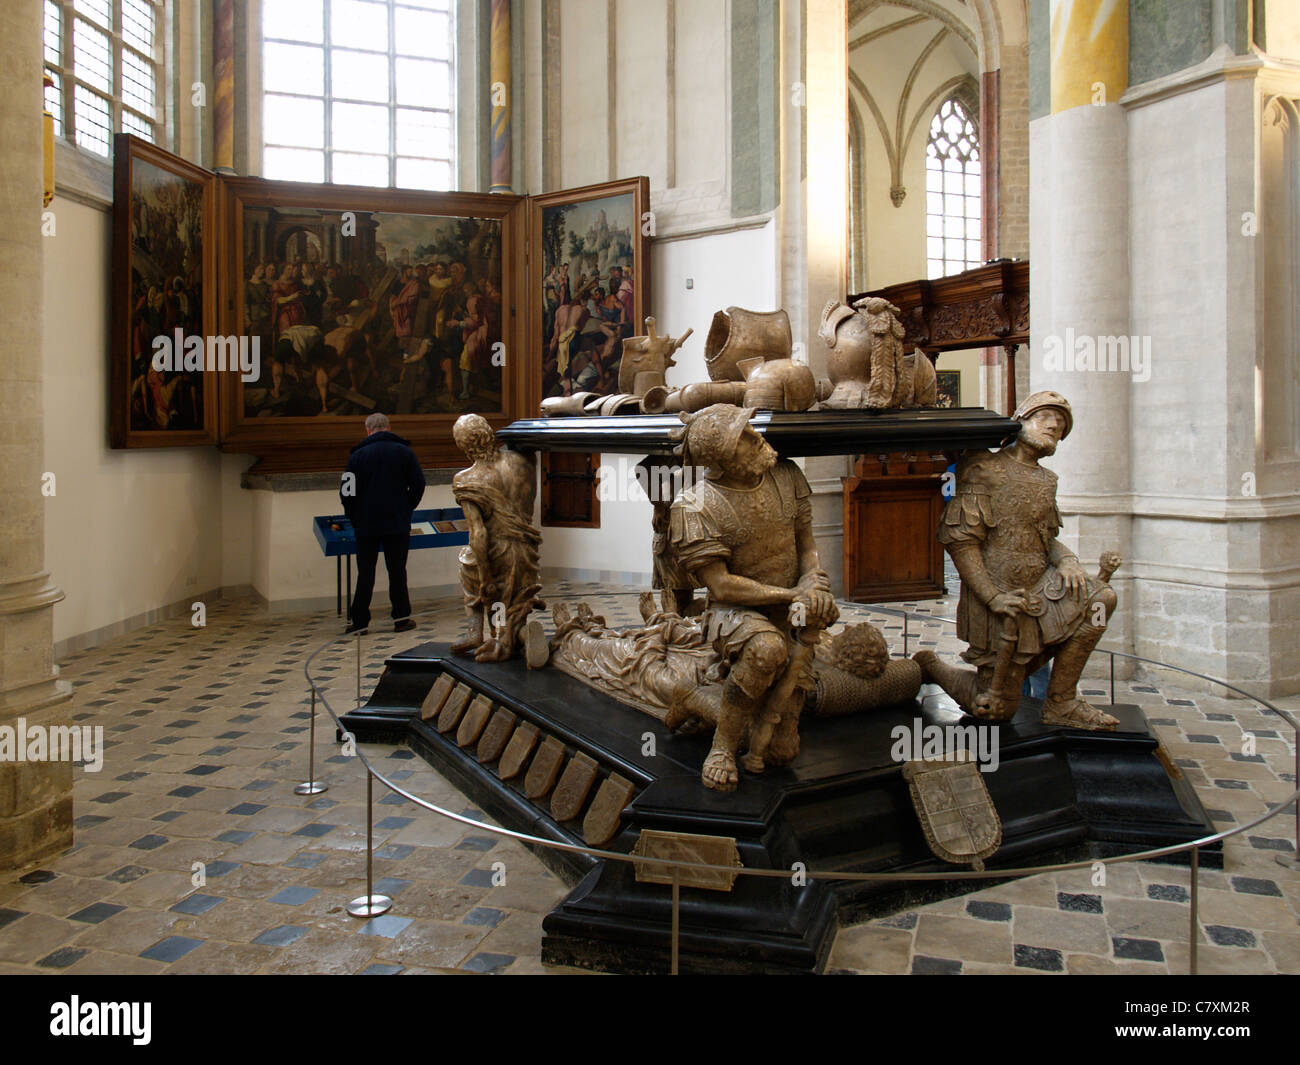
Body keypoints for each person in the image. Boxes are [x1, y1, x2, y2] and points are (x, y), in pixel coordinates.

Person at [915, 390, 1122, 729]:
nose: (1054, 425)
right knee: (995, 709)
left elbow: (1047, 538)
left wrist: (1068, 561)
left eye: (1061, 424)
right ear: (1020, 420)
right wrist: (993, 597)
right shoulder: (986, 469)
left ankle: (1061, 702)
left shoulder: (1046, 480)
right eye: (1045, 417)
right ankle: (930, 664)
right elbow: (961, 541)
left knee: (1102, 596)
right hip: (997, 596)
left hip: (1041, 591)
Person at [660, 404, 838, 790]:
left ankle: (697, 699)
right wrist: (794, 593)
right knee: (767, 650)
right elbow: (721, 586)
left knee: (780, 752)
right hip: (733, 613)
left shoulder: (786, 476)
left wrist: (814, 582)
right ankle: (721, 747)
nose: (758, 438)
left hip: (791, 604)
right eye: (743, 437)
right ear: (721, 459)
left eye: (751, 429)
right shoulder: (695, 506)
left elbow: (807, 546)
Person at [340, 412, 426, 634]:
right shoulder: (404, 452)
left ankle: (359, 622)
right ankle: (401, 618)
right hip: (396, 522)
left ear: (368, 430)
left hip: (366, 524)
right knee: (397, 570)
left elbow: (346, 491)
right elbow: (418, 483)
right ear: (388, 428)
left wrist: (354, 515)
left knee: (365, 572)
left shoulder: (357, 457)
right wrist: (407, 508)